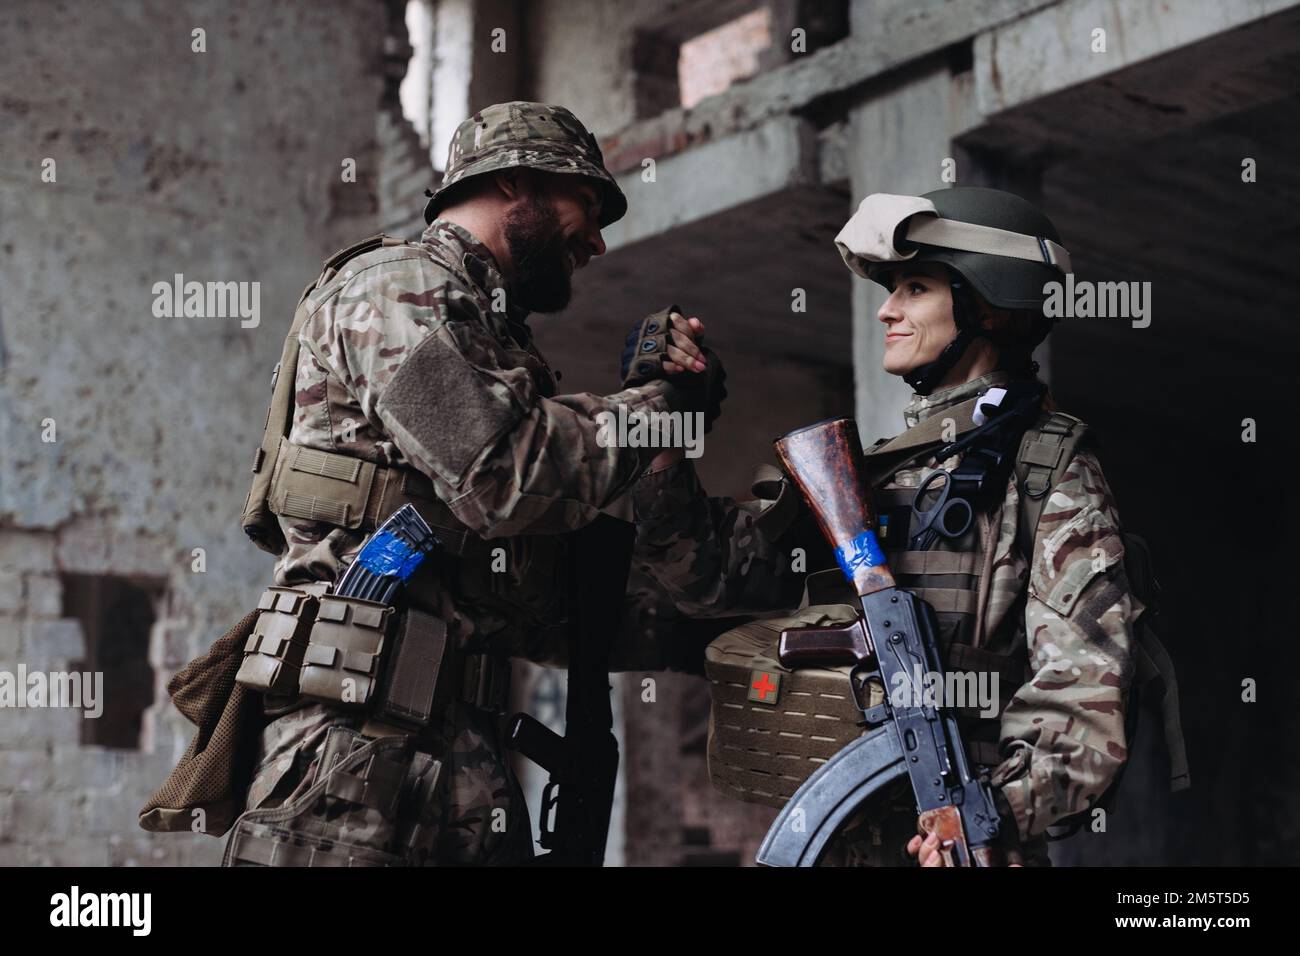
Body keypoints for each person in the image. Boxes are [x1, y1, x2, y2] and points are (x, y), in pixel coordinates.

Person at [157, 101, 724, 867]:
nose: (595, 240)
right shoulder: (396, 291)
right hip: (353, 765)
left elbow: (519, 581)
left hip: (454, 756)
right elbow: (505, 477)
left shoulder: (491, 336)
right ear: (519, 183)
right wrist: (660, 402)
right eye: (585, 206)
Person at [631, 186, 1139, 866]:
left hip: (955, 840)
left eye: (916, 288)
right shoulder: (876, 475)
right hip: (844, 834)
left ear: (985, 304)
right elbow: (707, 577)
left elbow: (1086, 700)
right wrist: (663, 422)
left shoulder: (1048, 469)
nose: (887, 309)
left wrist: (985, 814)